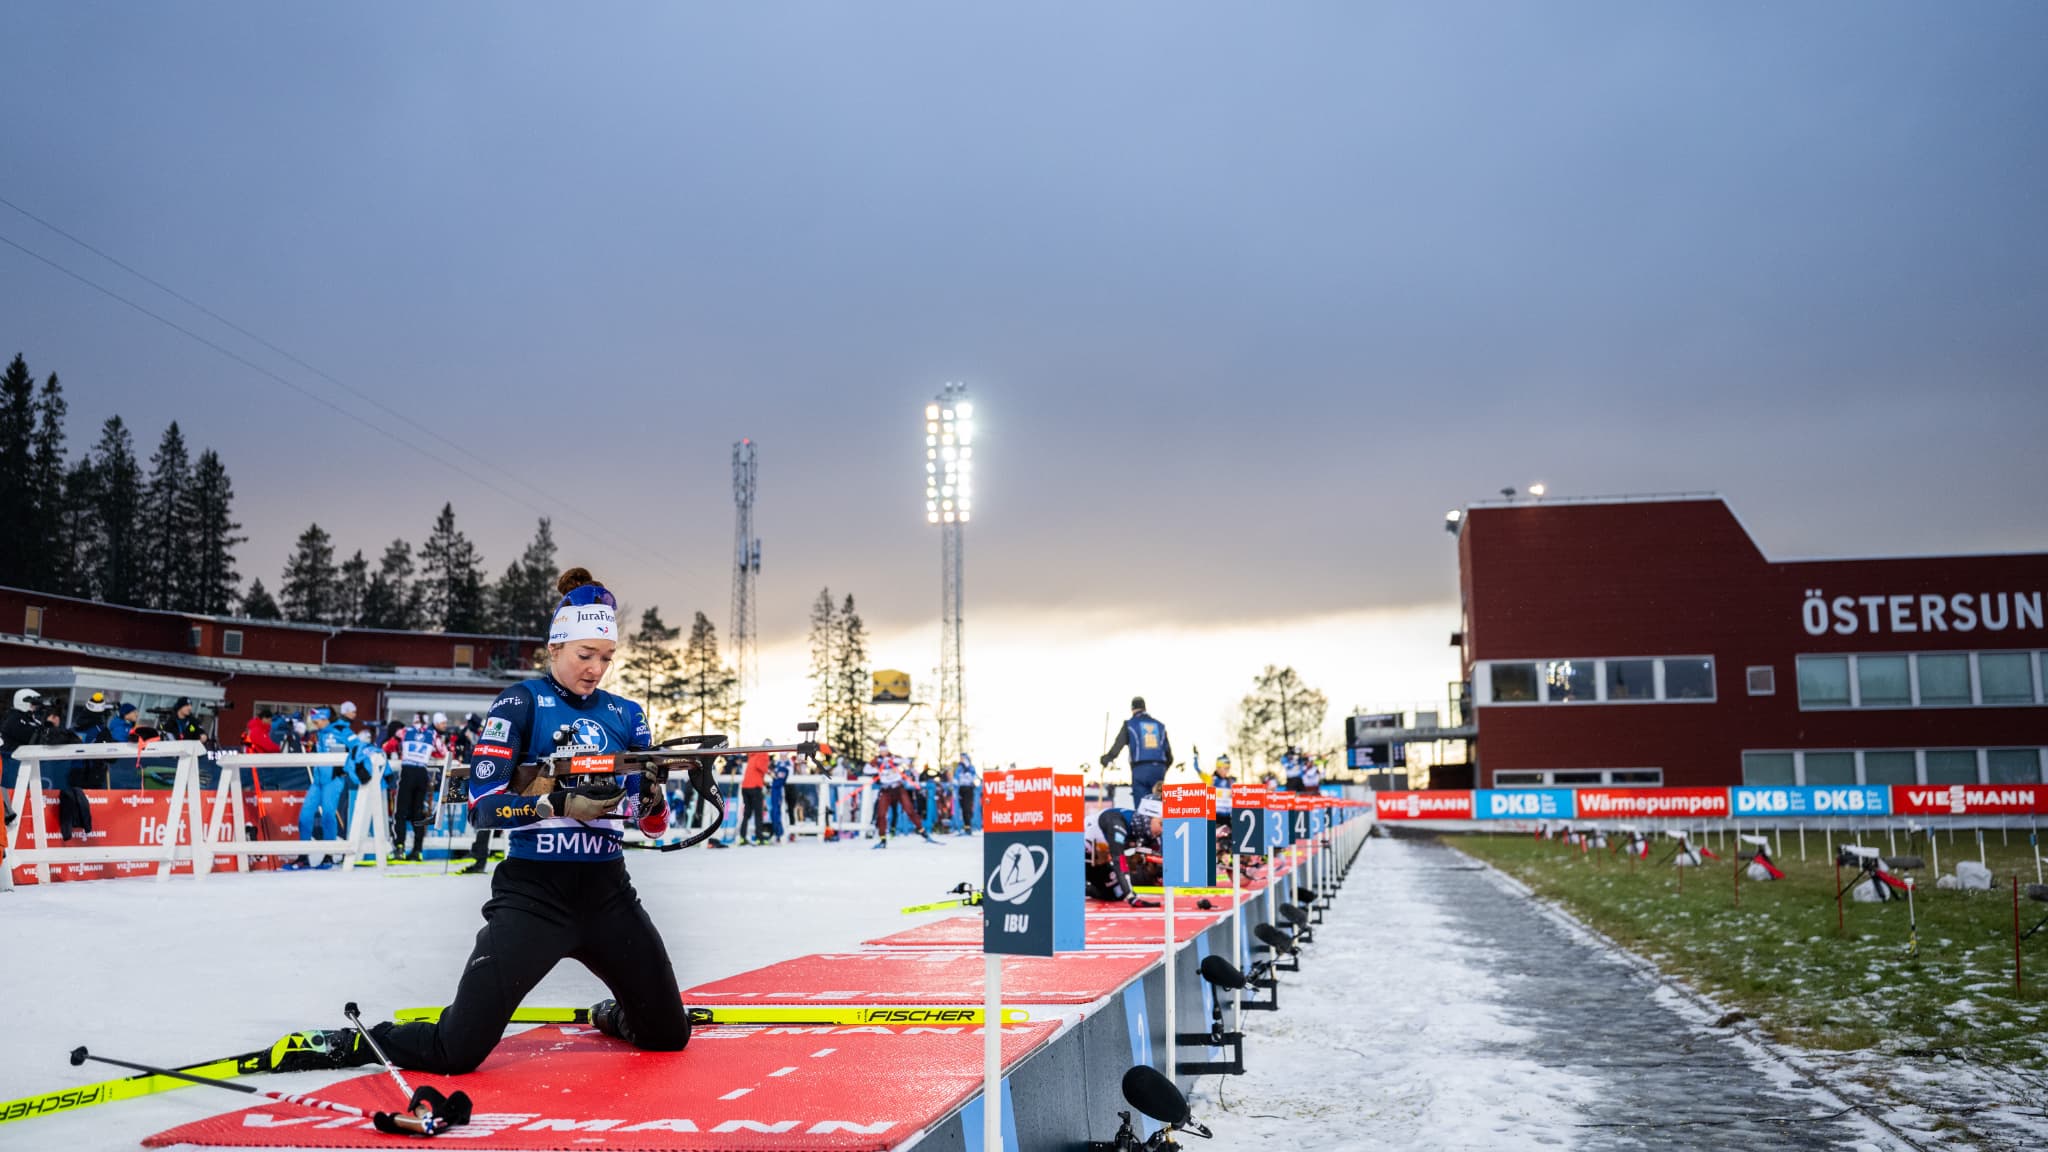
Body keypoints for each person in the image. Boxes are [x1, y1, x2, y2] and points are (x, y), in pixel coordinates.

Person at [270, 568, 689, 1075]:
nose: (595, 669)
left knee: (668, 1034)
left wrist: (649, 801)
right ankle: (363, 1041)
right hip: (535, 896)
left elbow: (656, 826)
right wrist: (556, 806)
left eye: (606, 657)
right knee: (458, 1050)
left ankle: (616, 1015)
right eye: (584, 655)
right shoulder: (521, 703)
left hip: (608, 893)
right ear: (554, 648)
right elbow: (482, 806)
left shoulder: (628, 715)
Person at [292, 708, 352, 868]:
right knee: (304, 816)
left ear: (325, 719)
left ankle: (329, 854)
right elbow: (309, 742)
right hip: (318, 781)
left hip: (333, 780)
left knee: (327, 815)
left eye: (317, 720)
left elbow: (352, 749)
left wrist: (343, 767)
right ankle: (303, 856)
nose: (315, 723)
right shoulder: (319, 733)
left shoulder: (339, 730)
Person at [1085, 796, 1163, 905]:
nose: (1162, 830)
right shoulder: (1116, 822)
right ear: (1148, 818)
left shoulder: (1142, 827)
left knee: (1117, 893)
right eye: (1161, 824)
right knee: (1124, 890)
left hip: (1097, 859)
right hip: (1077, 855)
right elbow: (1119, 859)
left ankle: (1085, 889)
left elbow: (1159, 855)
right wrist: (1131, 896)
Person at [390, 713, 446, 861]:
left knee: (400, 813)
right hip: (422, 773)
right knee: (418, 813)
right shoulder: (432, 734)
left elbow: (388, 746)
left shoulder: (404, 731)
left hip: (408, 772)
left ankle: (399, 848)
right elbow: (443, 752)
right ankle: (418, 850)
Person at [1100, 696, 1172, 806]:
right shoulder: (1160, 726)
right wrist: (1162, 769)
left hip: (1140, 769)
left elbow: (1118, 744)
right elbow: (1169, 756)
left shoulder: (1130, 724)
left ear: (1132, 709)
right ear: (1144, 708)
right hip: (1159, 769)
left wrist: (1108, 758)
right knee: (1159, 805)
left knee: (1142, 807)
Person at [869, 741, 932, 848]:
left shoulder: (893, 758)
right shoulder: (876, 760)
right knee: (881, 814)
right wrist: (878, 768)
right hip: (886, 789)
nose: (883, 752)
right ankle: (883, 839)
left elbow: (906, 761)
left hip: (898, 788)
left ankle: (922, 831)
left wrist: (895, 761)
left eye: (885, 750)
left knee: (909, 810)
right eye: (881, 750)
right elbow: (867, 769)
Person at [738, 746, 769, 844]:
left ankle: (742, 837)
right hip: (755, 787)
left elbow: (754, 772)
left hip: (745, 787)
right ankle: (760, 838)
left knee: (747, 813)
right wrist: (768, 769)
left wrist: (763, 781)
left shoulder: (752, 755)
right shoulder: (764, 754)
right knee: (758, 813)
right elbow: (761, 768)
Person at [951, 752, 978, 835]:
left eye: (963, 758)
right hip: (961, 789)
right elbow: (956, 778)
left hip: (968, 789)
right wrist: (954, 785)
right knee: (962, 808)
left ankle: (968, 827)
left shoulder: (971, 767)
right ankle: (966, 827)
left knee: (967, 808)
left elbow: (974, 777)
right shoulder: (959, 767)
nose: (961, 759)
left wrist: (968, 775)